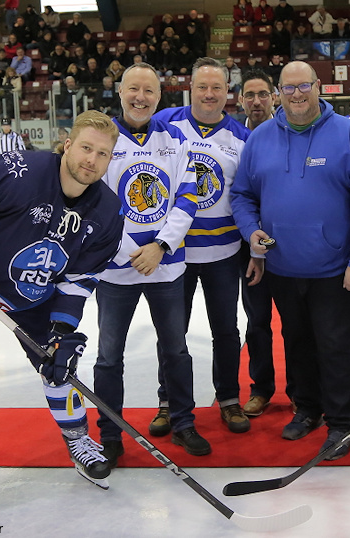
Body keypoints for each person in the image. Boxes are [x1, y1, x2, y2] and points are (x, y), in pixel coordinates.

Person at [0, 110, 123, 525]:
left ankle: (78, 442)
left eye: (103, 153)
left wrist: (62, 331)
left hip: (33, 295)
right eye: (86, 147)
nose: (92, 159)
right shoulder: (22, 171)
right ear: (67, 145)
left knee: (60, 366)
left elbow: (81, 277)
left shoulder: (107, 211)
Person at [231, 61, 350, 460]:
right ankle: (307, 409)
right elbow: (242, 195)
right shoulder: (260, 138)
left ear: (319, 87)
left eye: (304, 86)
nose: (296, 94)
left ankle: (341, 422)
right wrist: (251, 234)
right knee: (296, 342)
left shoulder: (349, 134)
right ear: (278, 93)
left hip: (335, 269)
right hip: (282, 266)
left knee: (335, 346)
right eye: (289, 88)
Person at [93, 63, 203, 463]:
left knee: (176, 351)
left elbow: (187, 197)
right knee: (109, 358)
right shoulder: (102, 139)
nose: (141, 97)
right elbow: (94, 204)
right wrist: (128, 252)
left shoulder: (176, 139)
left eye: (149, 91)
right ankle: (110, 435)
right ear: (120, 91)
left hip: (166, 267)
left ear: (160, 96)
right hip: (114, 271)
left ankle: (183, 423)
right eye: (133, 89)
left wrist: (160, 246)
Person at [154, 57, 252, 435]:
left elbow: (247, 196)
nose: (209, 94)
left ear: (228, 91)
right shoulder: (165, 124)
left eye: (217, 87)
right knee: (171, 333)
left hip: (223, 254)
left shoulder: (242, 138)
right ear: (190, 89)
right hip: (172, 253)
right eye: (202, 87)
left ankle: (228, 399)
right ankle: (168, 402)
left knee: (225, 330)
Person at [236, 70, 279, 416]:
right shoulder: (235, 140)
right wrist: (254, 247)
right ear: (240, 100)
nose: (256, 101)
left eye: (263, 94)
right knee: (258, 322)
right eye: (249, 95)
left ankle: (303, 391)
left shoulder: (289, 134)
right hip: (250, 247)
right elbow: (241, 197)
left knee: (297, 323)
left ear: (274, 97)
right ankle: (261, 388)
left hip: (290, 244)